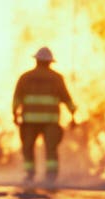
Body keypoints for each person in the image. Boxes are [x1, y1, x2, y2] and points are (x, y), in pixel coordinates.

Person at [13, 47, 76, 183]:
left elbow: (17, 98)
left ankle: (30, 175)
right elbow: (66, 98)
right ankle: (51, 176)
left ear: (36, 60)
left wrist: (14, 114)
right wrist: (73, 114)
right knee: (51, 149)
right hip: (51, 121)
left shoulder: (25, 77)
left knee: (28, 147)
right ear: (49, 62)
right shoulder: (57, 78)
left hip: (29, 121)